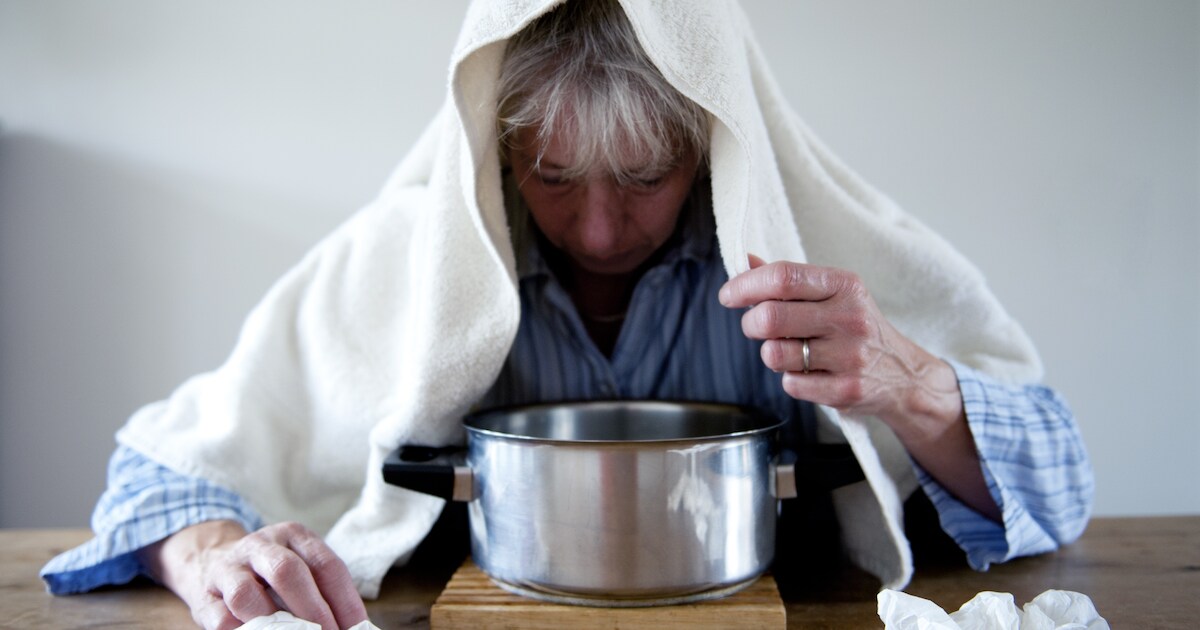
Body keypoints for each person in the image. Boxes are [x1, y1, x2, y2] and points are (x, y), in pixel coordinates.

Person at [42, 1, 1094, 628]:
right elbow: (155, 478)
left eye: (644, 175)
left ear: (713, 143)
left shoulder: (821, 256)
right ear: (496, 149)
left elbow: (1060, 487)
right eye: (550, 175)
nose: (597, 229)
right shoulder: (404, 260)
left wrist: (913, 388)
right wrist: (216, 556)